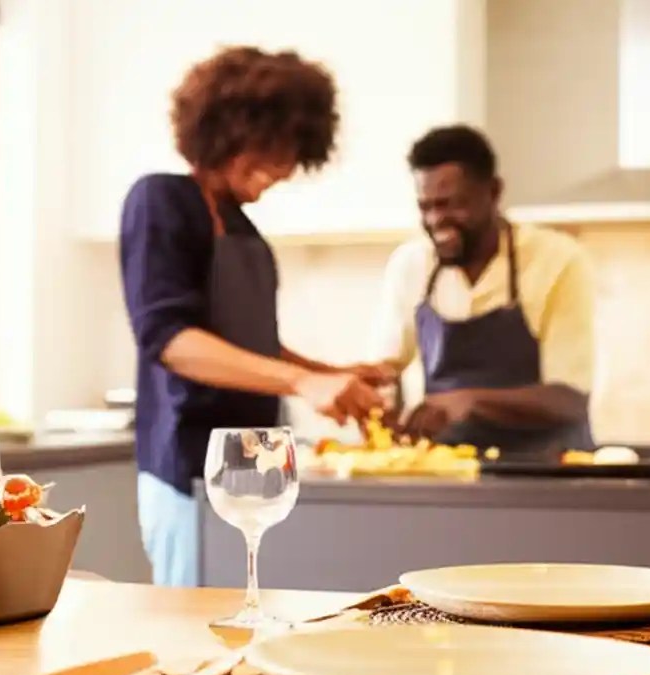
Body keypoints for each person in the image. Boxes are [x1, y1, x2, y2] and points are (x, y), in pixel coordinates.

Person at [118, 46, 393, 587]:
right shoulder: (160, 200)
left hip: (255, 468)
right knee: (193, 630)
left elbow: (253, 342)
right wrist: (303, 379)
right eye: (277, 149)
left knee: (251, 620)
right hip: (188, 469)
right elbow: (169, 339)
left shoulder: (244, 230)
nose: (285, 168)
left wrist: (331, 372)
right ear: (232, 130)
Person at [369, 124, 596, 455]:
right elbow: (384, 370)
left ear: (494, 192)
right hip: (450, 471)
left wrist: (467, 402)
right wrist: (385, 407)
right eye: (426, 207)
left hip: (549, 472)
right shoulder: (411, 264)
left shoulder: (557, 260)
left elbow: (570, 399)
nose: (436, 221)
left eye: (451, 205)